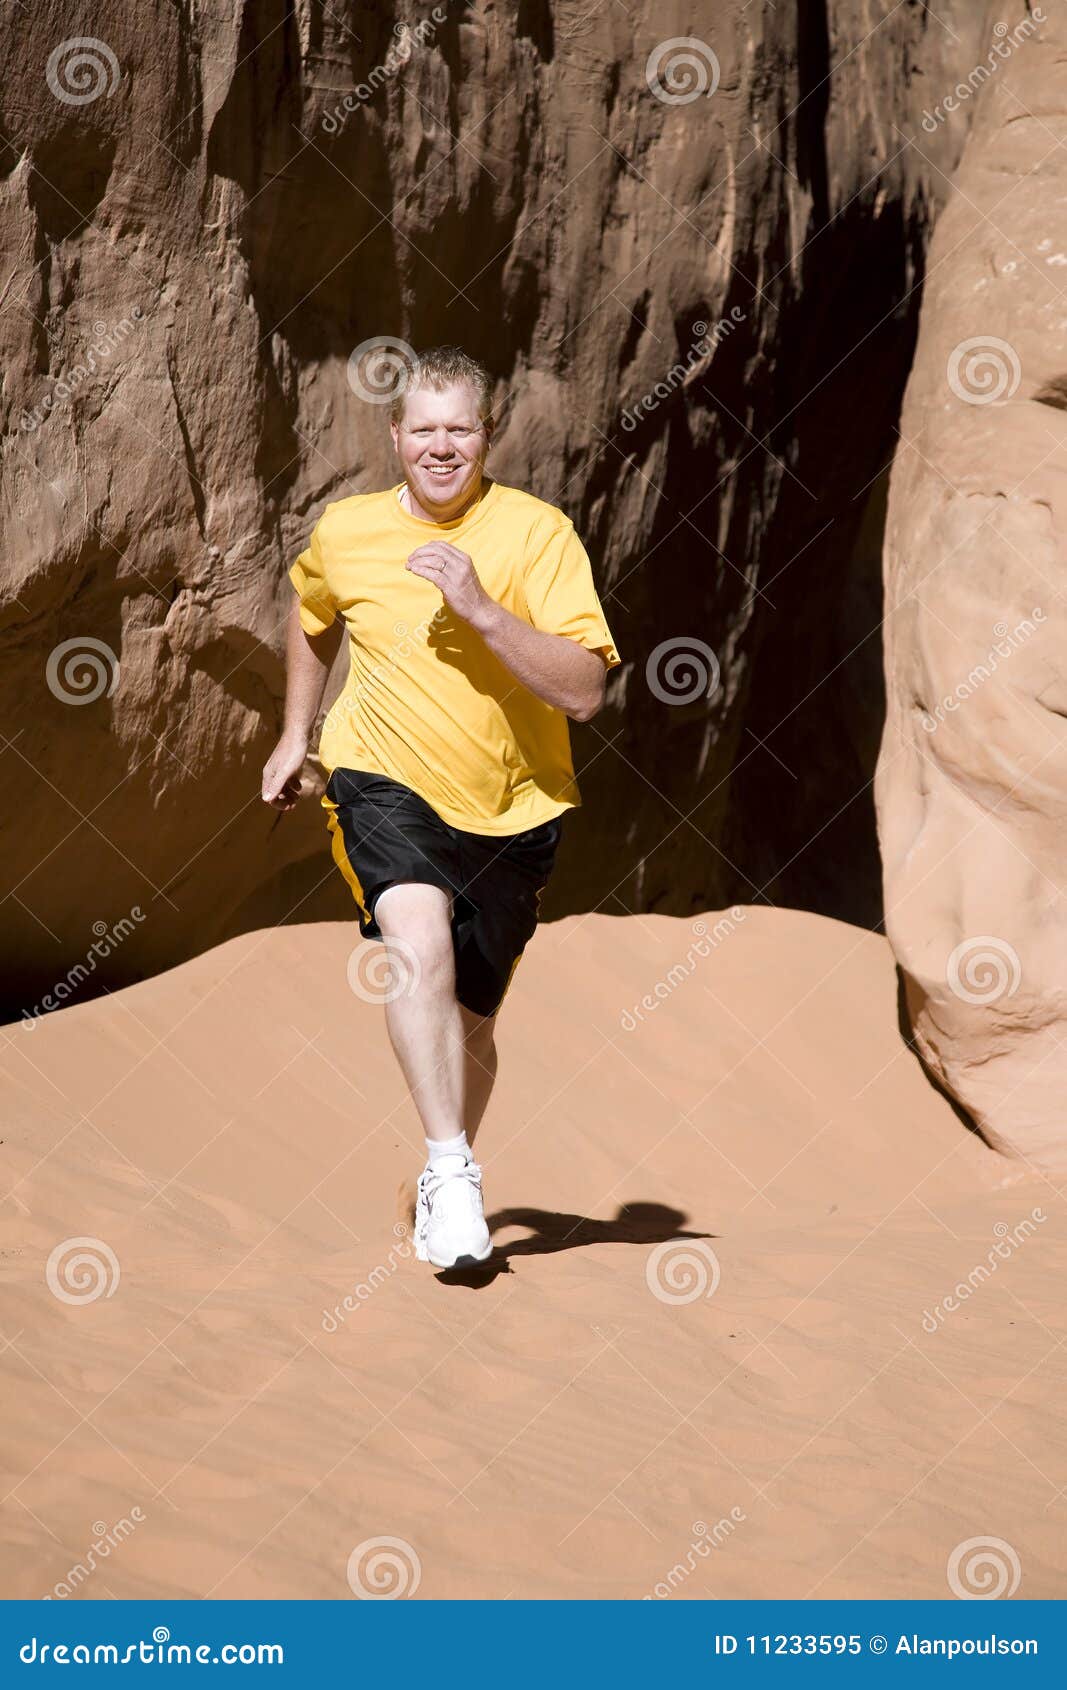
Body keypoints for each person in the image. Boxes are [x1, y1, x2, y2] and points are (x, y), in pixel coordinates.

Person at [262, 346, 621, 1270]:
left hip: (515, 808)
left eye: (459, 428)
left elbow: (584, 692)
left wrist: (486, 613)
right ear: (395, 437)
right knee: (413, 944)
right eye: (423, 429)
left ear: (485, 436)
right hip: (378, 774)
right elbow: (311, 617)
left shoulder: (537, 535)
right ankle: (451, 1166)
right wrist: (296, 734)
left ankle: (441, 1167)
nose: (441, 446)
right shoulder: (346, 530)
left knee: (472, 1019)